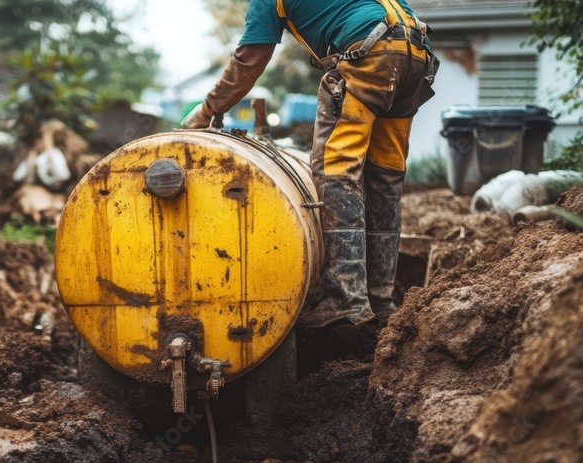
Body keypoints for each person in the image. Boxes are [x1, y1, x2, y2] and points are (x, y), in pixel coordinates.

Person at [184, 0, 438, 330]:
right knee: (385, 176)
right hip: (415, 56)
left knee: (337, 169)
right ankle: (381, 301)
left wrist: (207, 111)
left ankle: (346, 300)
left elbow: (249, 60)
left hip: (372, 53)